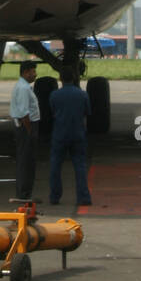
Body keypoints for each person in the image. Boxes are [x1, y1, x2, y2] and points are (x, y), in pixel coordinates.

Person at [48, 67, 92, 206]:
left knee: (55, 166)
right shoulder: (82, 94)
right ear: (74, 79)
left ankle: (55, 197)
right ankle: (83, 197)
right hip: (77, 133)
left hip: (60, 133)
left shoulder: (54, 95)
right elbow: (87, 112)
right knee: (80, 166)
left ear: (60, 79)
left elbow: (52, 112)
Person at [9, 59, 40, 200]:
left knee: (27, 161)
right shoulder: (23, 88)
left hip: (26, 127)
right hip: (26, 127)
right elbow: (24, 113)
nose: (35, 74)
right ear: (26, 72)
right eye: (33, 71)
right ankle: (23, 193)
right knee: (25, 162)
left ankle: (25, 192)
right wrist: (30, 131)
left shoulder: (24, 86)